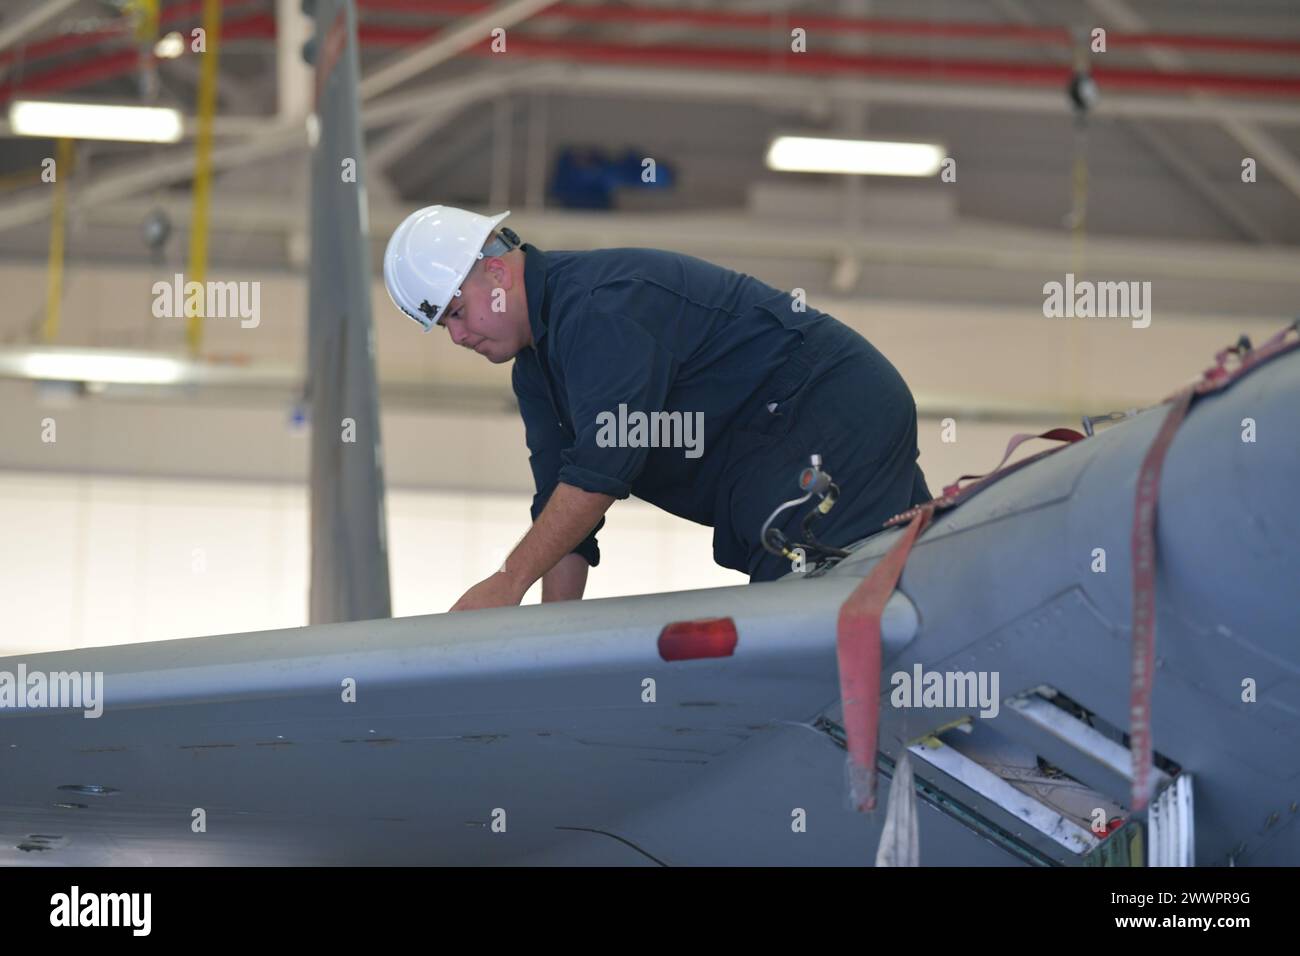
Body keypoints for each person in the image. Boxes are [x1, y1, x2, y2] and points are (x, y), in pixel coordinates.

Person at [382, 205, 931, 611]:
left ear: (497, 274)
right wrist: (547, 637)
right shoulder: (537, 370)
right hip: (796, 439)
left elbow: (602, 469)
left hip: (822, 419)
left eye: (455, 313)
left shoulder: (598, 308)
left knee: (803, 636)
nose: (455, 337)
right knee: (922, 603)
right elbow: (562, 500)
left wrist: (507, 582)